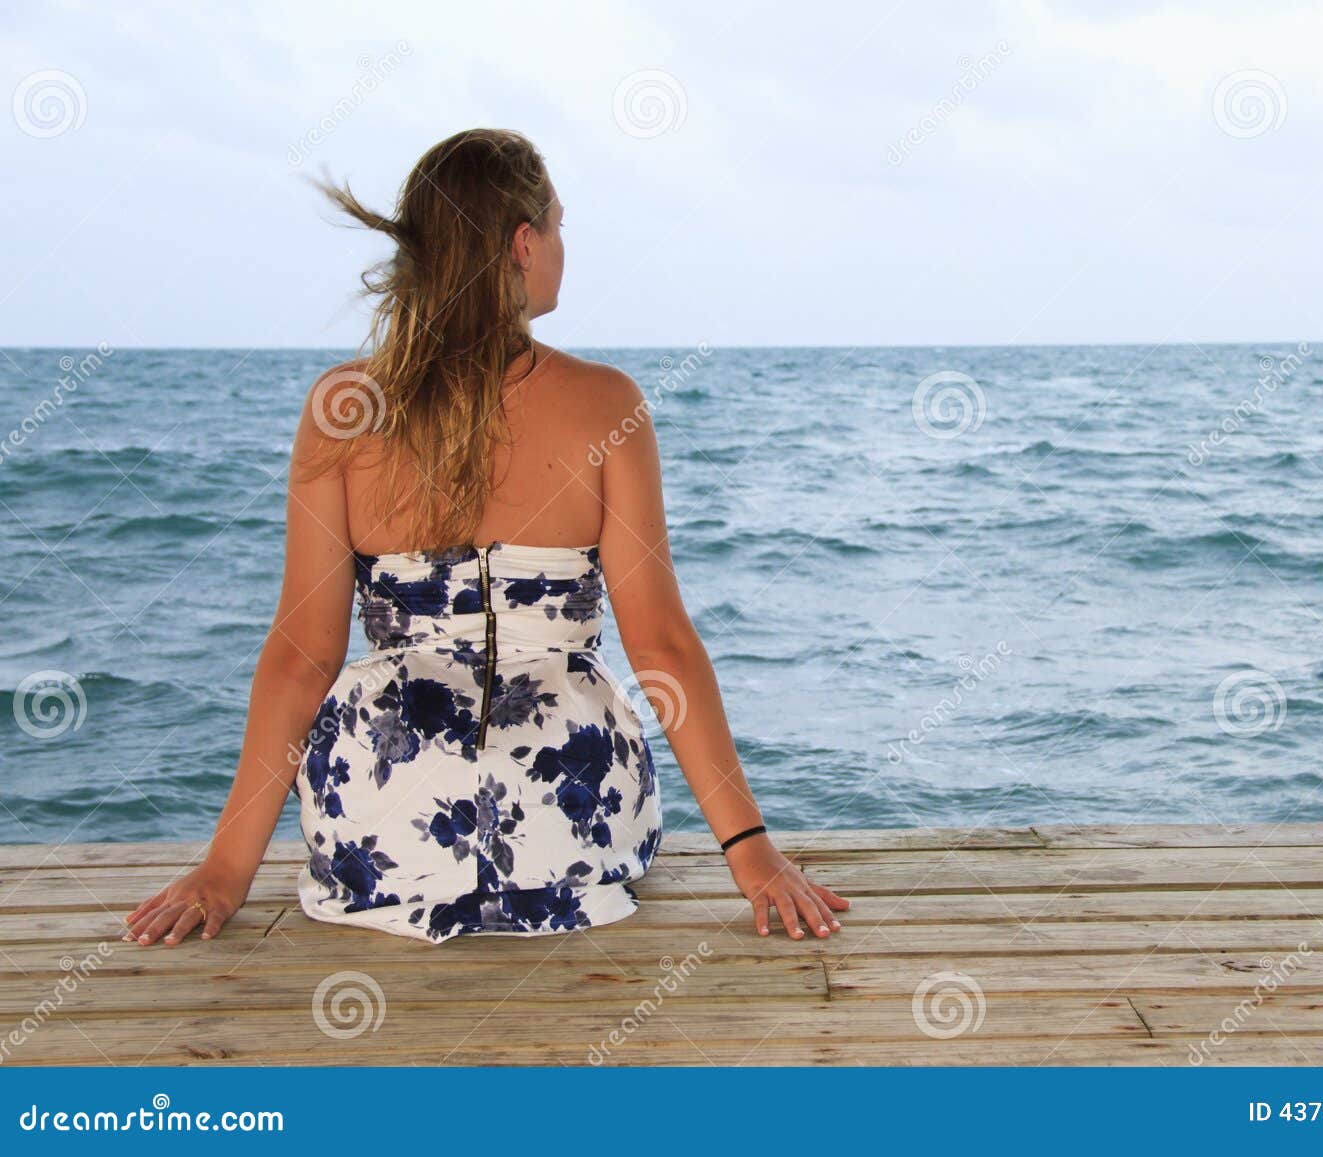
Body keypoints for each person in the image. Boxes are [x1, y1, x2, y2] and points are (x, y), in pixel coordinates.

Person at [122, 128, 848, 946]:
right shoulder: (607, 407)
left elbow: (301, 657)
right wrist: (753, 856)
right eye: (560, 227)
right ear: (524, 243)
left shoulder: (344, 408)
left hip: (385, 815)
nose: (565, 248)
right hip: (567, 818)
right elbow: (664, 651)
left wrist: (223, 872)